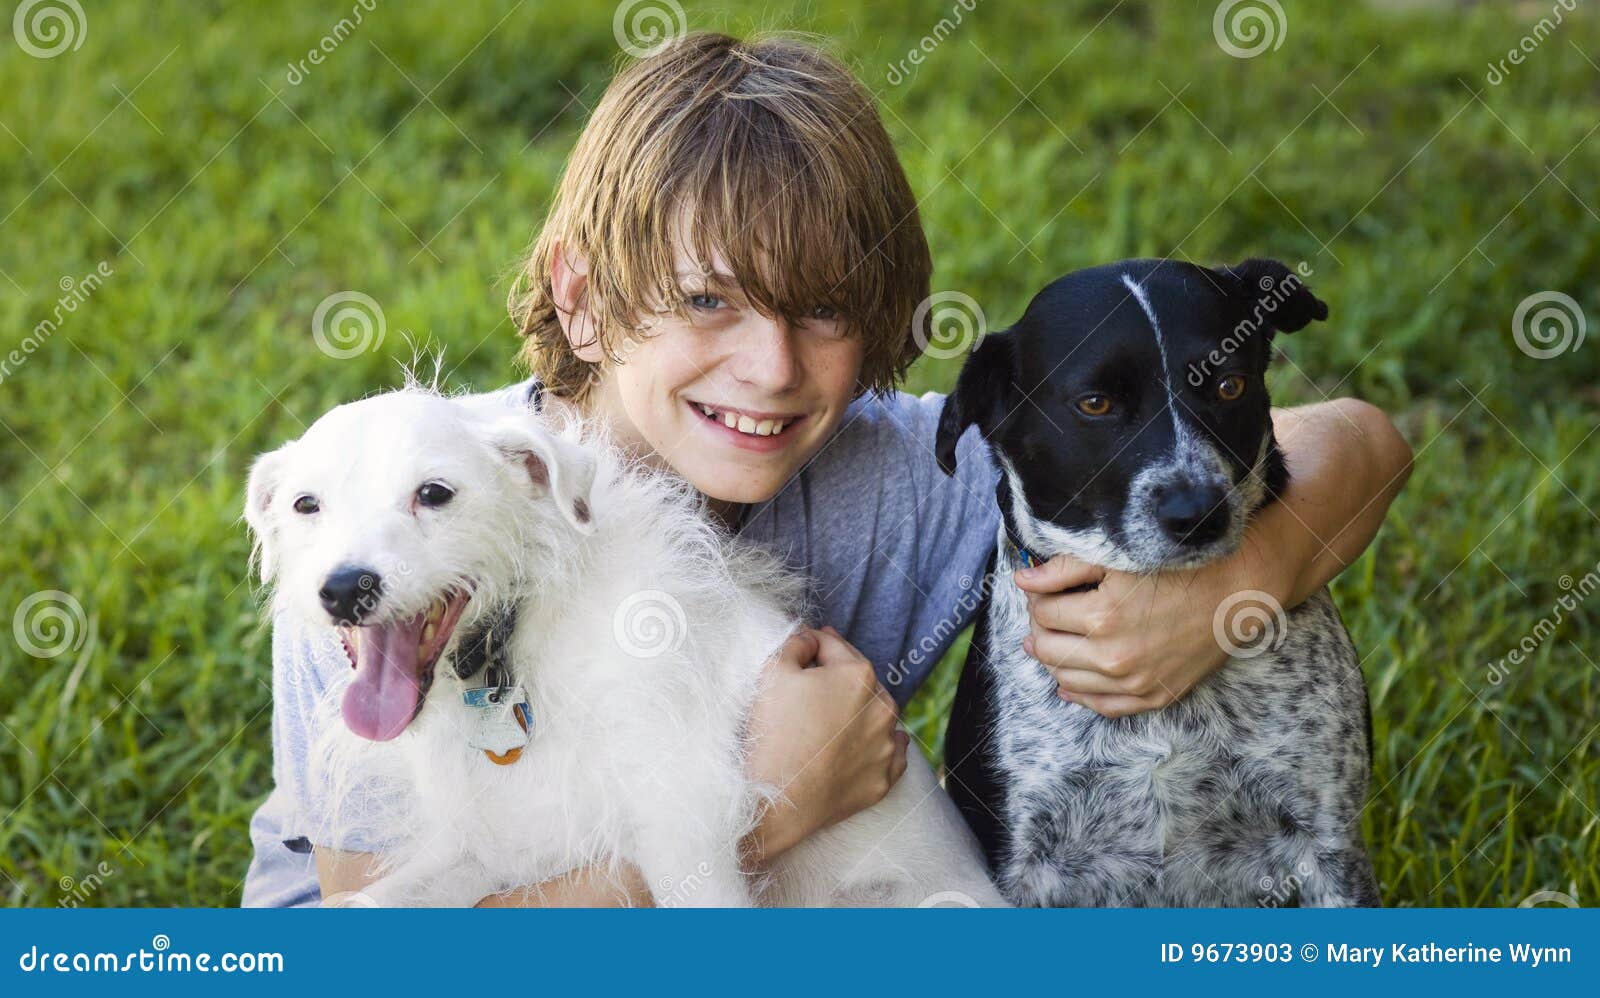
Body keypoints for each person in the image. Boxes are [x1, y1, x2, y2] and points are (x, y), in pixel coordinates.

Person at [242, 32, 1412, 907]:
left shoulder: (902, 472)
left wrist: (1226, 588)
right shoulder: (400, 526)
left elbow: (1359, 439)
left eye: (822, 310)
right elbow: (374, 929)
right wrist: (770, 803)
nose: (769, 368)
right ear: (582, 298)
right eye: (708, 300)